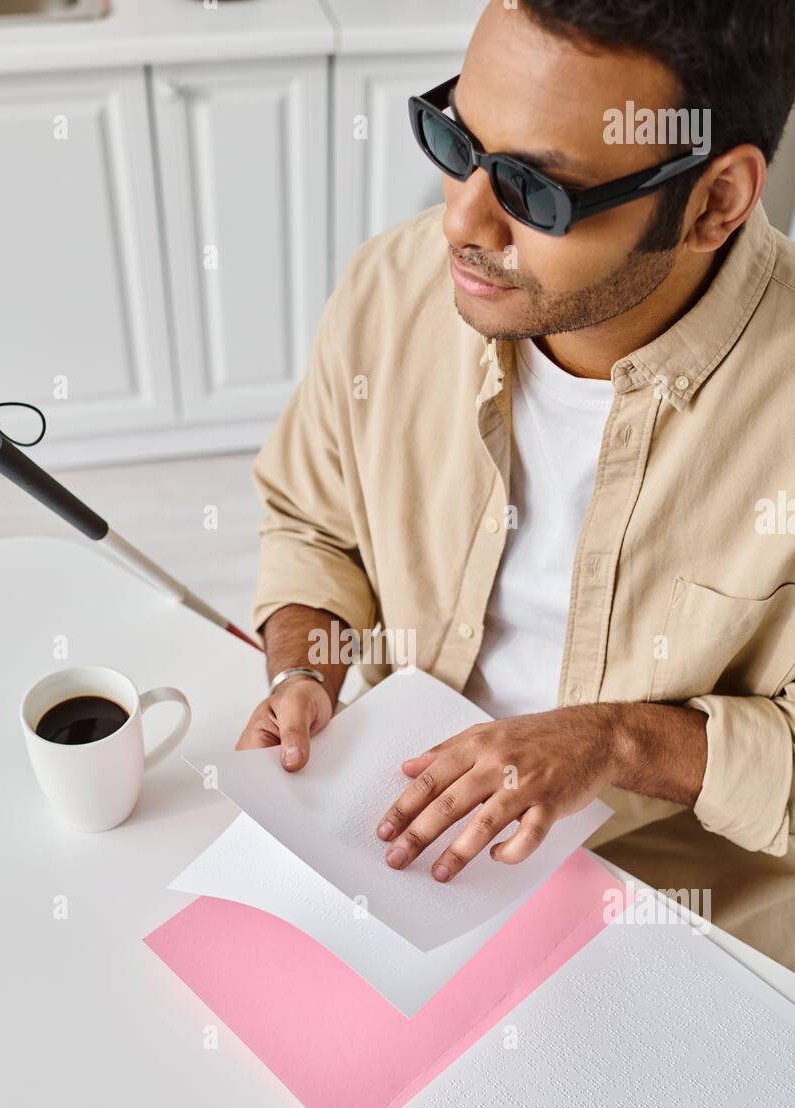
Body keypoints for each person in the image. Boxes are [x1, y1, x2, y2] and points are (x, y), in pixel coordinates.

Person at [237, 0, 795, 967]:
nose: (457, 220)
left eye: (535, 193)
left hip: (675, 916)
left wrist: (618, 743)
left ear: (714, 202)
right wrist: (306, 663)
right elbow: (310, 523)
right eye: (456, 137)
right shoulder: (390, 289)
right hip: (397, 853)